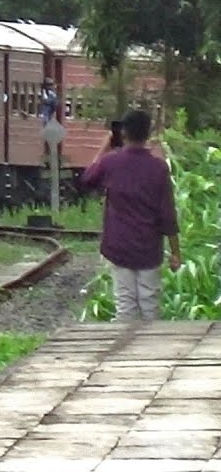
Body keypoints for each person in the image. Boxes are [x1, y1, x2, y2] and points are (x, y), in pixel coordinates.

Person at [78, 109, 181, 322]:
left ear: (123, 132)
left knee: (125, 305)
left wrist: (104, 148)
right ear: (148, 133)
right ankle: (150, 351)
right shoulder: (158, 168)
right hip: (148, 247)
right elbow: (167, 213)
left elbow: (88, 179)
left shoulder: (111, 162)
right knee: (150, 304)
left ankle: (124, 351)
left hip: (119, 245)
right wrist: (175, 252)